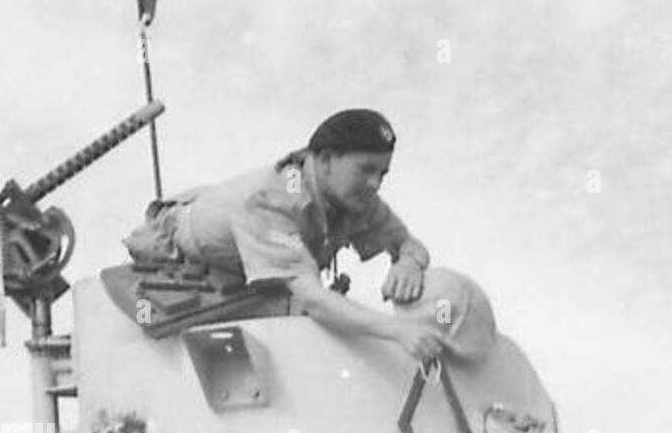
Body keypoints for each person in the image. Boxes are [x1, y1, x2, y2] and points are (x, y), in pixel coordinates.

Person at [122, 107, 447, 362]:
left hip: (247, 248)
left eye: (382, 173)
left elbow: (409, 243)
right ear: (325, 160)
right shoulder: (272, 200)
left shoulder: (354, 197)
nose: (375, 184)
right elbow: (313, 299)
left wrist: (407, 262)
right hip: (181, 245)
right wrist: (396, 330)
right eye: (366, 170)